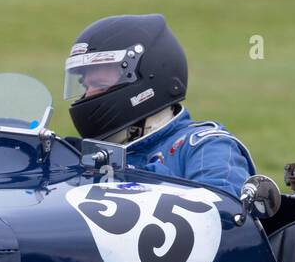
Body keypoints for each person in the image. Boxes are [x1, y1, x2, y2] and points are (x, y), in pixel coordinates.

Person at [64, 13, 255, 195]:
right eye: (85, 86)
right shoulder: (90, 156)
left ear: (146, 82)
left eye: (99, 84)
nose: (88, 95)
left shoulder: (204, 146)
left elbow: (224, 213)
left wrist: (128, 178)